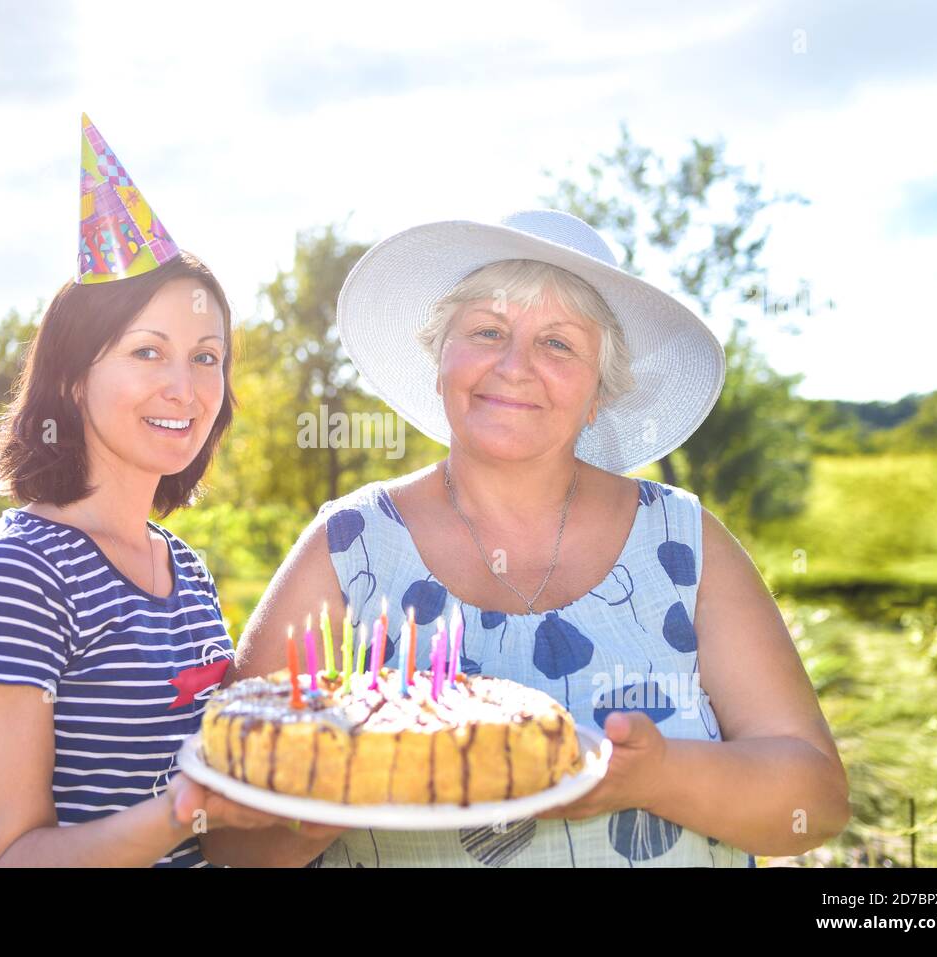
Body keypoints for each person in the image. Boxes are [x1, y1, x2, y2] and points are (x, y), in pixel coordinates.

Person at [202, 209, 850, 867]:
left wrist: (652, 776)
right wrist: (320, 807)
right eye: (487, 330)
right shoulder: (348, 544)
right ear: (439, 355)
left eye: (559, 343)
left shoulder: (683, 540)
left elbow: (817, 802)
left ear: (599, 391)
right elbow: (223, 829)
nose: (514, 366)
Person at [0, 114, 300, 866]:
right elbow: (2, 857)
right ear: (71, 375)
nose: (183, 386)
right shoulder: (12, 577)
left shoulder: (183, 568)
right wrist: (185, 809)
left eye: (205, 356)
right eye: (146, 351)